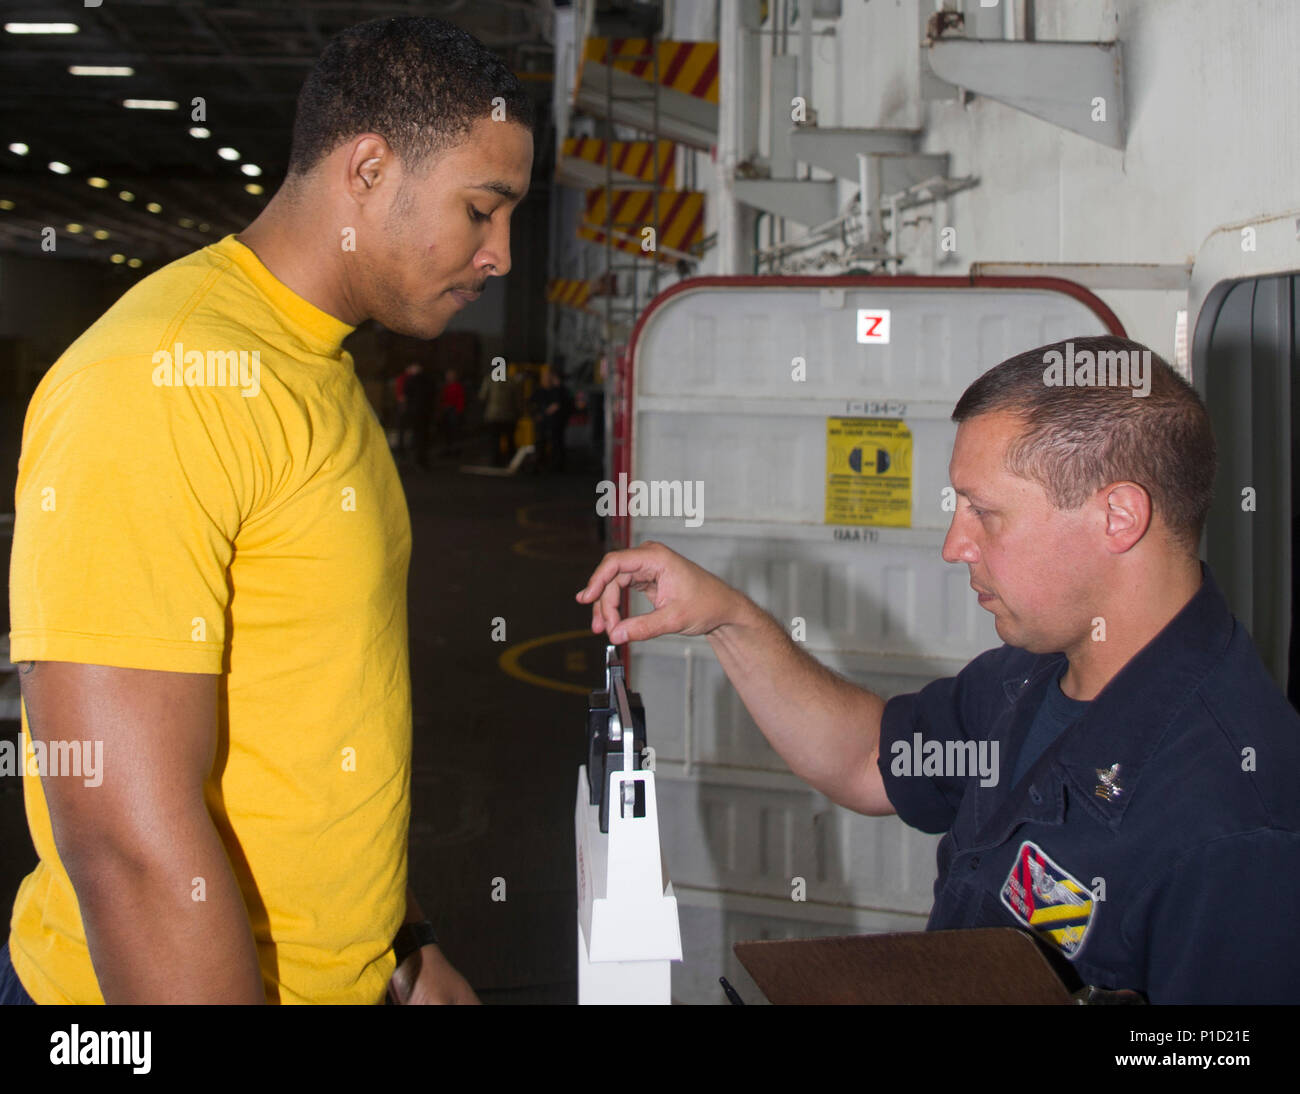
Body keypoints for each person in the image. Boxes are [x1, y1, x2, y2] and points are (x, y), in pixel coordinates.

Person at [4, 15, 532, 1004]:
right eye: (481, 210)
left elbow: (312, 721)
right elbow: (127, 842)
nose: (500, 253)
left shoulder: (316, 364)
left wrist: (401, 942)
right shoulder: (159, 379)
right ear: (368, 170)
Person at [576, 335, 1300, 1004]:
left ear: (1118, 517)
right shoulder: (1025, 680)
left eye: (984, 512)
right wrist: (729, 617)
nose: (955, 545)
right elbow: (866, 759)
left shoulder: (1240, 822)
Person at [437, 368, 466, 458]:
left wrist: (459, 410)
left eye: (451, 375)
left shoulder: (457, 386)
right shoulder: (445, 386)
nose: (450, 377)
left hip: (453, 410)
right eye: (448, 375)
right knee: (447, 431)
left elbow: (460, 398)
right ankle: (448, 448)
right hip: (446, 409)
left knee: (454, 430)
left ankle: (455, 448)